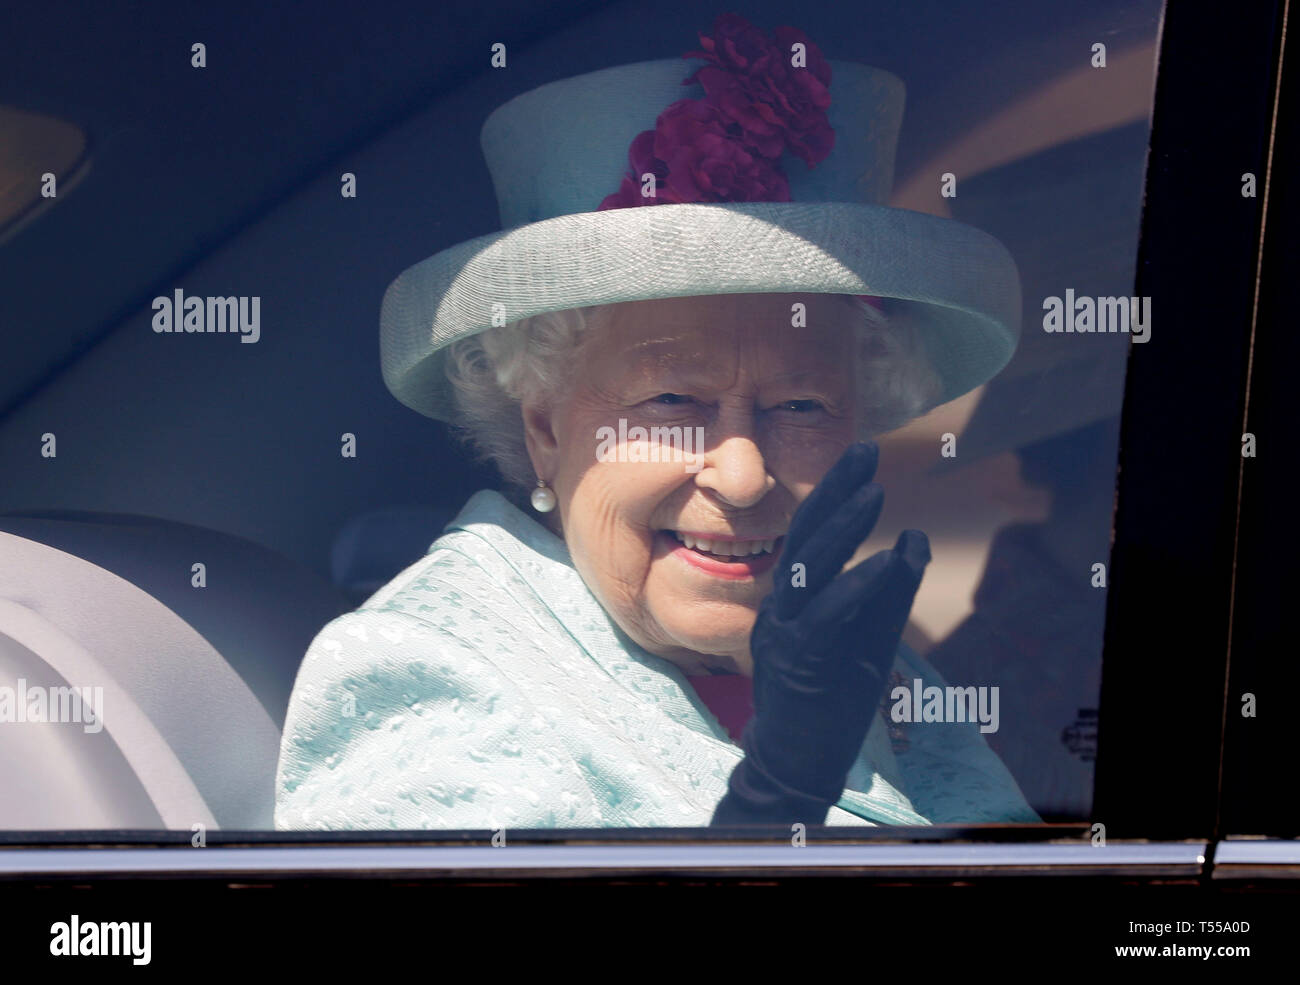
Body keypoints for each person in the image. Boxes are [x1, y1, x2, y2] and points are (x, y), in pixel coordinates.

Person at [274, 12, 1037, 829]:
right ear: (544, 427)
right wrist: (774, 799)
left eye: (800, 405)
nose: (742, 477)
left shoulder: (870, 665)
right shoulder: (424, 672)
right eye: (672, 401)